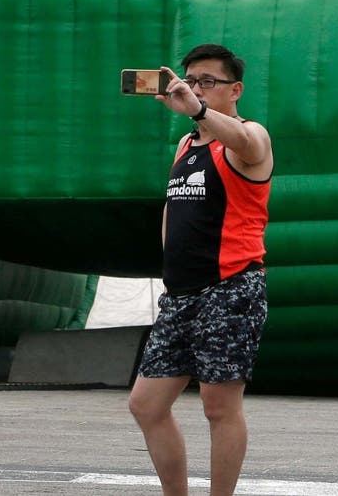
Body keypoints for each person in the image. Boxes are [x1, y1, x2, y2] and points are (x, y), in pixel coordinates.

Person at [128, 43, 273, 496]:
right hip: (182, 294)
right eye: (190, 81)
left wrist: (198, 110)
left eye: (207, 82)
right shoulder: (187, 143)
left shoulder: (252, 136)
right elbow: (174, 209)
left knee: (218, 406)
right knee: (146, 405)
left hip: (230, 287)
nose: (195, 89)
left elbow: (246, 144)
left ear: (236, 90)